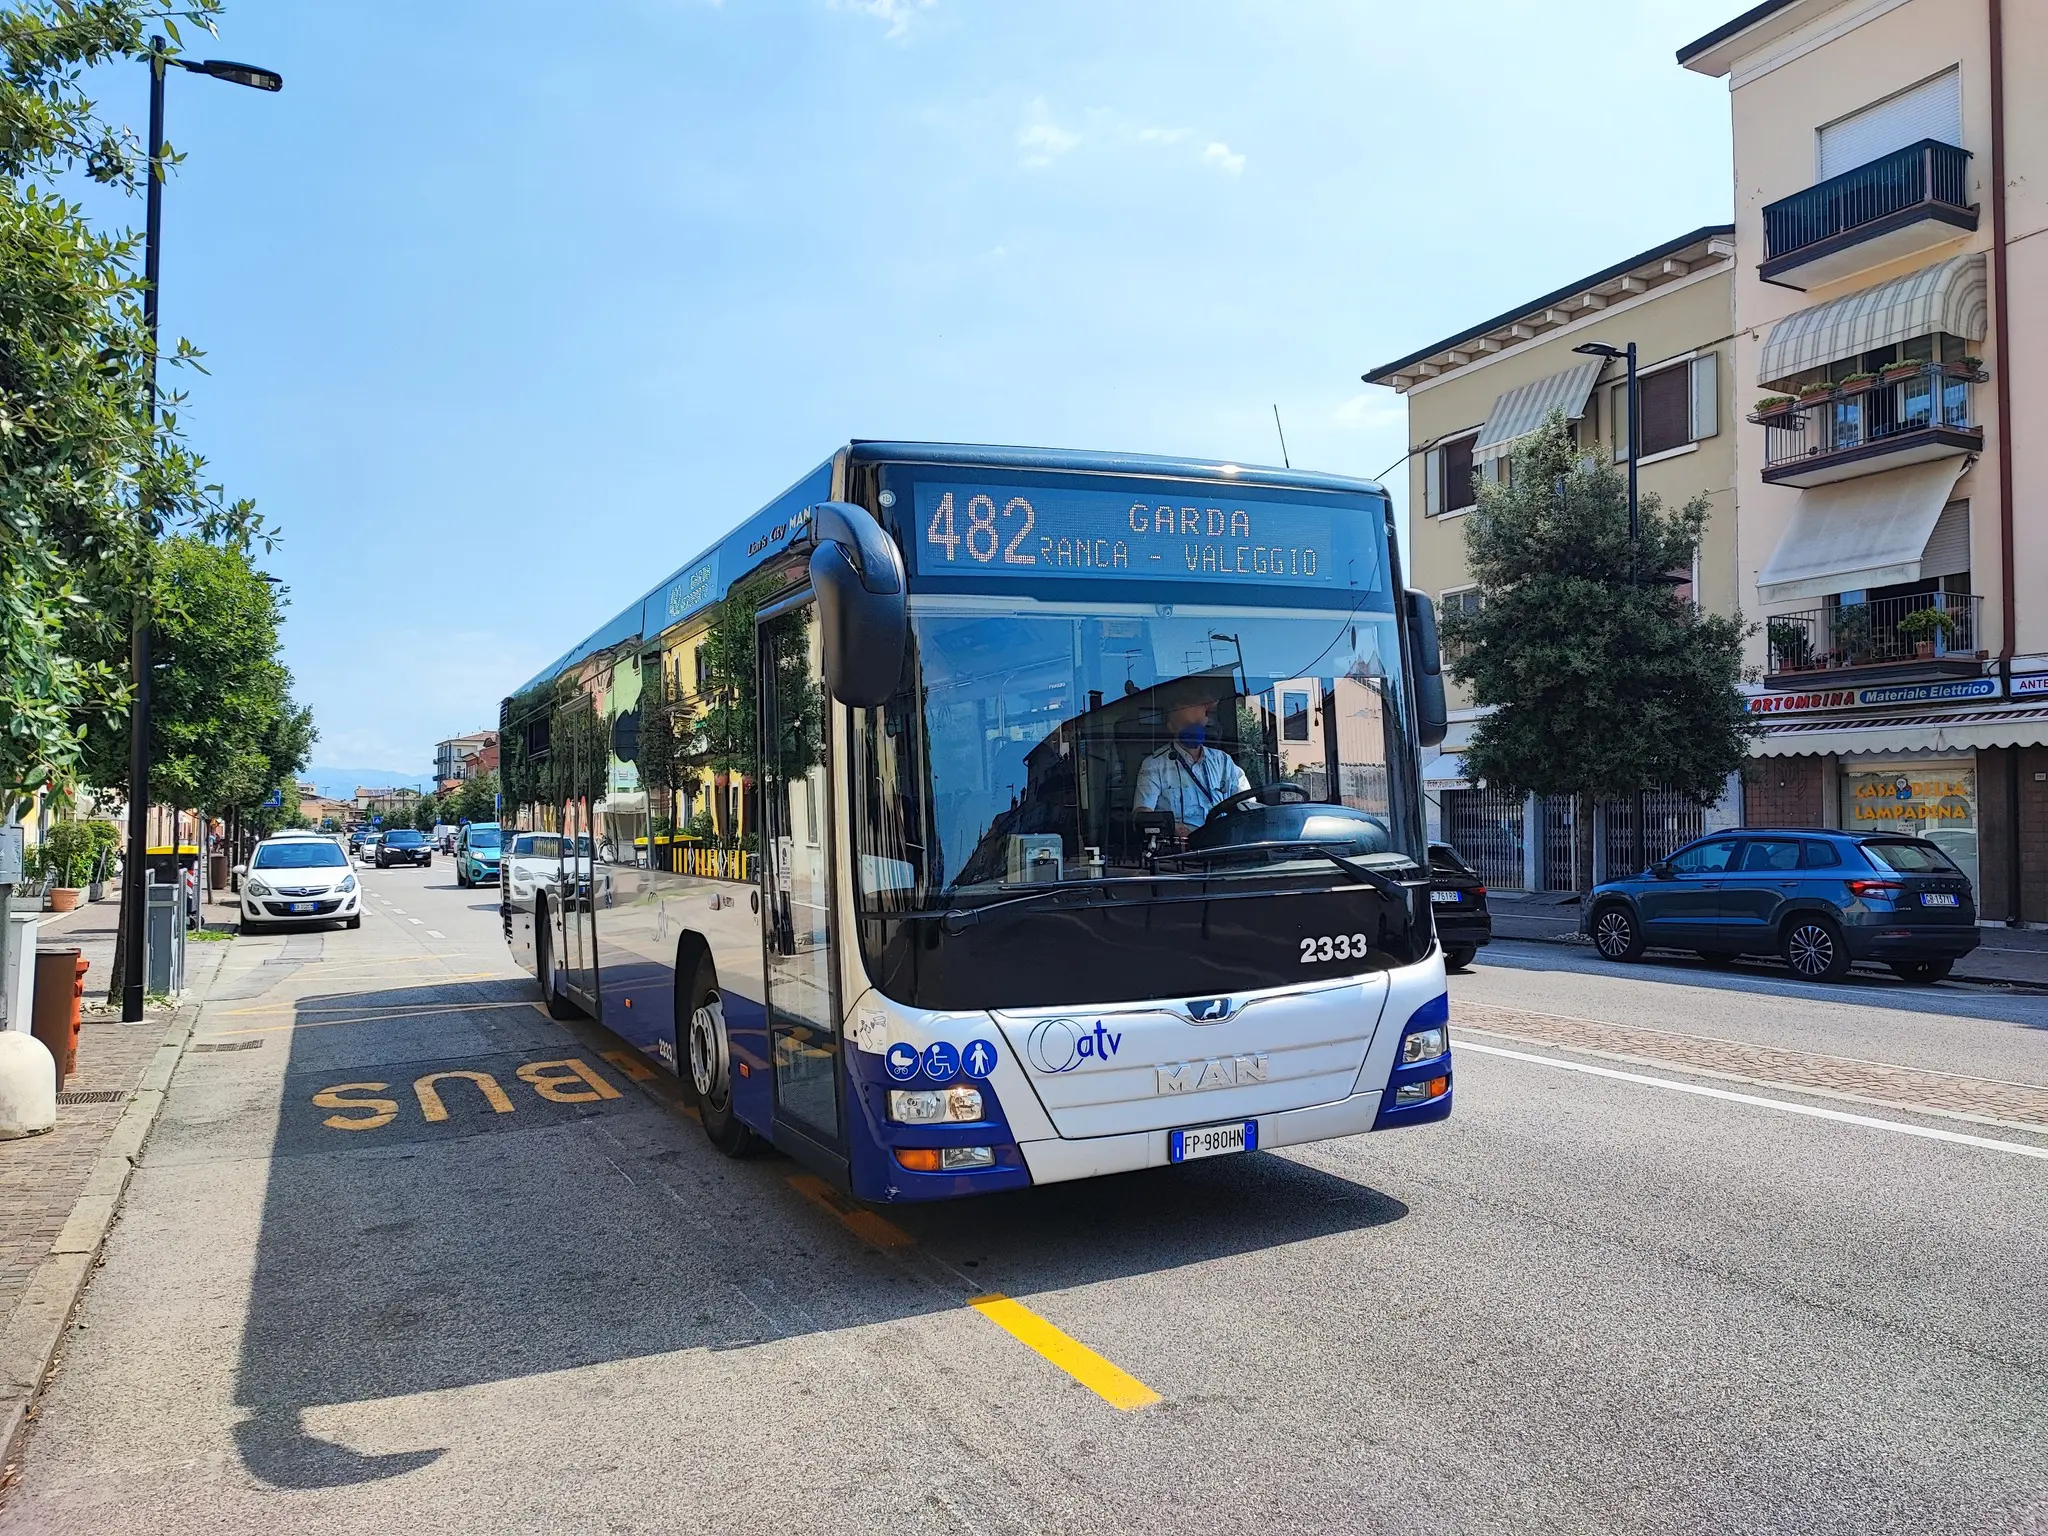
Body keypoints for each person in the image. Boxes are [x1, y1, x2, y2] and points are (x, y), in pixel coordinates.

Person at [1133, 699, 1249, 839]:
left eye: (1198, 723)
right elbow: (1142, 814)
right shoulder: (1154, 765)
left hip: (1222, 847)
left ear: (1205, 722)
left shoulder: (1223, 761)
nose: (1194, 729)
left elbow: (1247, 804)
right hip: (1180, 850)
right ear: (1172, 727)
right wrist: (1175, 829)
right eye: (1187, 724)